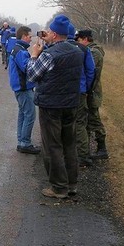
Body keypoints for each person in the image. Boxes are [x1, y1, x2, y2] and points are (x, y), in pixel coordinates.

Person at [27, 15, 84, 199]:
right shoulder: (77, 52)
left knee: (53, 146)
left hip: (51, 105)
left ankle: (59, 187)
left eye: (50, 31)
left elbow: (32, 75)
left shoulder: (49, 55)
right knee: (69, 144)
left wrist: (34, 56)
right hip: (71, 103)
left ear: (54, 33)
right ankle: (71, 183)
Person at [76, 29, 108, 159]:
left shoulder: (94, 52)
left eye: (78, 40)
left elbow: (90, 71)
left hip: (92, 91)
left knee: (94, 120)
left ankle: (102, 147)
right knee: (87, 120)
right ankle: (85, 149)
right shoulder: (91, 50)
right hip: (90, 90)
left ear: (85, 39)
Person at [9, 26, 41, 154]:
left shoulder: (16, 49)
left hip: (19, 88)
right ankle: (25, 143)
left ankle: (22, 141)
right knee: (30, 115)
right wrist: (35, 55)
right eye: (29, 36)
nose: (30, 39)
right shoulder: (21, 51)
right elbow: (28, 68)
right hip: (23, 88)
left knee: (23, 114)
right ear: (23, 36)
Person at [67, 24, 95, 167]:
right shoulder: (85, 50)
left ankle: (67, 153)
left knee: (65, 122)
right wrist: (85, 87)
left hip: (64, 93)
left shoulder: (60, 48)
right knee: (80, 123)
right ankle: (83, 155)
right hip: (80, 91)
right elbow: (91, 71)